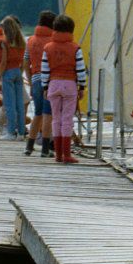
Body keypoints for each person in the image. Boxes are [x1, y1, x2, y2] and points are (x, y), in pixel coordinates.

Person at [41, 14, 86, 164]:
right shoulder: (75, 48)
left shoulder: (47, 48)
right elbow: (80, 69)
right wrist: (82, 86)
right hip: (69, 85)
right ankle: (67, 154)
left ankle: (58, 154)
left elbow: (45, 70)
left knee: (56, 119)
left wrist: (45, 86)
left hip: (53, 84)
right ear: (71, 30)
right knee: (67, 119)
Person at [23, 10, 55, 157]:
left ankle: (29, 146)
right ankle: (45, 149)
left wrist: (30, 80)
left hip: (35, 79)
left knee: (37, 114)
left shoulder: (30, 40)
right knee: (48, 114)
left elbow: (25, 62)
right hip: (49, 81)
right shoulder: (53, 40)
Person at [0, 16, 28, 140]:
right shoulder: (21, 42)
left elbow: (3, 63)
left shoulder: (4, 42)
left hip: (8, 73)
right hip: (18, 73)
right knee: (20, 104)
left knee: (9, 105)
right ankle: (20, 132)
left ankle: (10, 132)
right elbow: (22, 61)